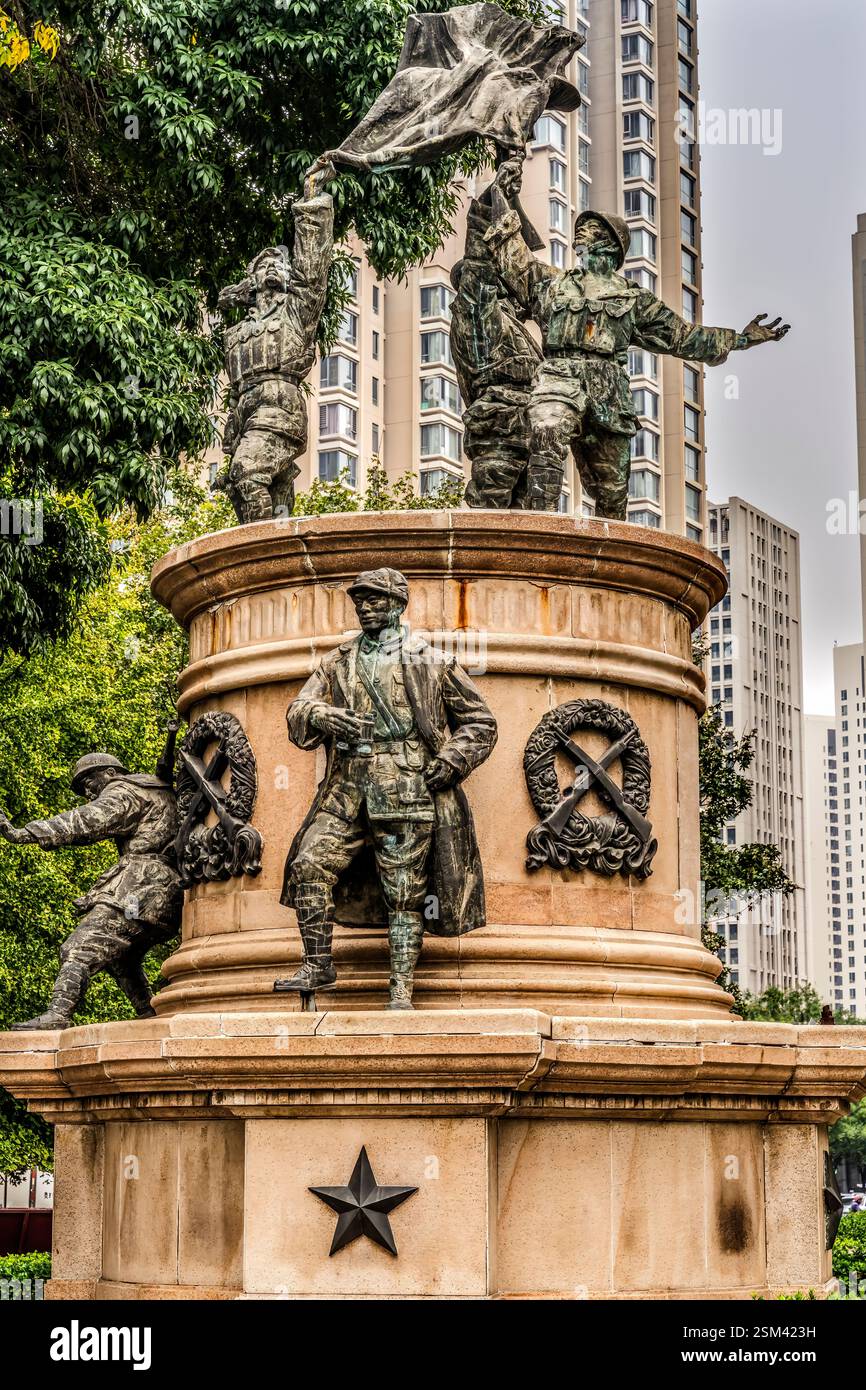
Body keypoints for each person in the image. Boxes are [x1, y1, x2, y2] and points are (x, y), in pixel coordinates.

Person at [482, 158, 790, 514]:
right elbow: (512, 256)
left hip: (608, 393)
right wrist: (502, 195)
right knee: (547, 427)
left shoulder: (633, 300)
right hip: (559, 378)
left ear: (611, 247)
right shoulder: (552, 284)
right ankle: (541, 529)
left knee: (612, 494)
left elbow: (683, 336)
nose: (582, 231)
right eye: (583, 227)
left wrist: (742, 339)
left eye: (594, 229)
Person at [277, 567, 497, 1009]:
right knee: (307, 865)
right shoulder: (337, 661)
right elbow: (299, 710)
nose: (365, 607)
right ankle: (318, 962)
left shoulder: (430, 661)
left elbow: (480, 721)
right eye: (360, 601)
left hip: (407, 787)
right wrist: (322, 716)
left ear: (398, 605)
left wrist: (451, 761)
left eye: (375, 600)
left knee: (404, 893)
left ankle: (400, 991)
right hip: (346, 790)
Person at [0, 746, 182, 1029]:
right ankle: (148, 1014)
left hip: (139, 891)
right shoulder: (162, 791)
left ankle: (57, 1016)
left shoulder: (125, 789)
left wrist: (25, 833)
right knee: (122, 956)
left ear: (110, 773)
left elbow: (88, 820)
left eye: (89, 782)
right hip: (166, 897)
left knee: (80, 946)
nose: (89, 793)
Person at [216, 160, 335, 523]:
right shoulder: (234, 336)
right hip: (245, 413)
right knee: (259, 492)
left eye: (280, 264)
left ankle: (258, 555)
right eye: (262, 264)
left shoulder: (297, 313)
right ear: (250, 282)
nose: (272, 265)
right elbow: (235, 394)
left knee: (247, 473)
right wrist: (231, 432)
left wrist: (310, 196)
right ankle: (281, 558)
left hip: (280, 407)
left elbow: (312, 272)